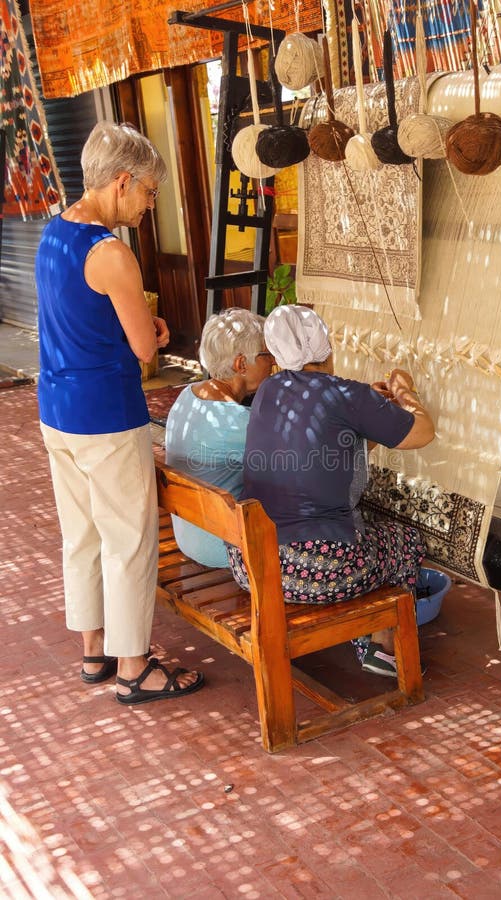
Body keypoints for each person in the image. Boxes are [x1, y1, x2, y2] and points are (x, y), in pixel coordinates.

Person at [35, 121, 204, 705]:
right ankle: (134, 667)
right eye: (150, 193)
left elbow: (79, 318)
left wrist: (138, 331)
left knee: (81, 535)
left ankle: (93, 651)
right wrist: (153, 333)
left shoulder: (55, 232)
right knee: (129, 539)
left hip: (55, 410)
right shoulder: (111, 253)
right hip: (105, 415)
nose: (150, 205)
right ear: (123, 182)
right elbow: (141, 348)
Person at [228, 304, 435, 678]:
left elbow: (327, 440)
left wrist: (367, 409)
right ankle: (382, 648)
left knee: (361, 536)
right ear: (327, 347)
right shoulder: (346, 394)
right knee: (405, 541)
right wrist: (406, 391)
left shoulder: (269, 390)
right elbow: (421, 433)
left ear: (278, 354)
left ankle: (365, 638)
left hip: (253, 564)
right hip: (320, 573)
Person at [165, 308, 273, 567]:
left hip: (191, 535)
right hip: (221, 546)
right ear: (241, 364)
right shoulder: (236, 424)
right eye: (266, 354)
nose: (272, 361)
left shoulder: (186, 396)